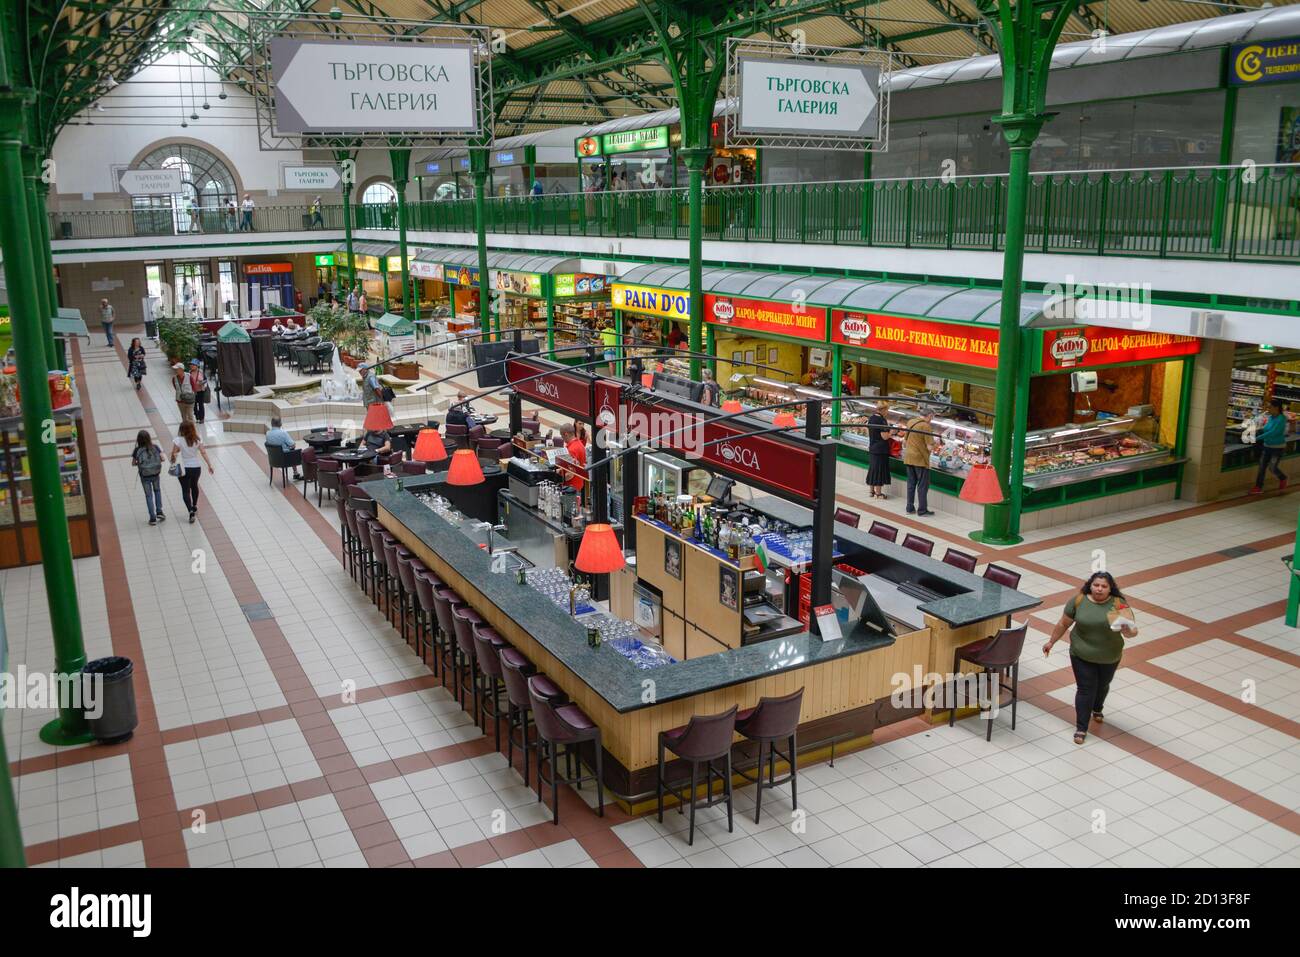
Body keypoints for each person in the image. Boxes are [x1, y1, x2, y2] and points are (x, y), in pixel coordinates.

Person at [1043, 571, 1137, 745]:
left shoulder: (1118, 604)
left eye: (1104, 586)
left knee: (1102, 685)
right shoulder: (1078, 601)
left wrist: (1127, 630)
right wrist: (1051, 642)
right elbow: (1063, 623)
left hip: (1109, 655)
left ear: (1110, 588)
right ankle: (1081, 727)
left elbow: (1133, 632)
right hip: (1081, 653)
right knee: (1085, 689)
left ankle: (1098, 707)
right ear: (1090, 585)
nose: (1099, 589)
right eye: (1096, 585)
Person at [170, 419, 213, 523]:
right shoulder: (197, 440)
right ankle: (194, 505)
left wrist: (176, 453)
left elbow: (173, 456)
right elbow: (203, 453)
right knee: (194, 486)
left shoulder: (178, 440)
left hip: (184, 469)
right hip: (196, 468)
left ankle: (190, 511)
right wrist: (209, 465)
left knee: (185, 490)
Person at [1251, 399, 1290, 494]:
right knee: (1261, 467)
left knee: (1272, 467)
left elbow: (1273, 432)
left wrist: (1258, 437)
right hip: (1267, 446)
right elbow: (1266, 428)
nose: (1268, 409)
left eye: (1270, 407)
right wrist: (1255, 431)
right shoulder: (1271, 417)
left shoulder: (1282, 419)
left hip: (1278, 447)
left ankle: (1283, 478)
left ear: (1276, 408)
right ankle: (1258, 487)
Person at [903, 407, 936, 517]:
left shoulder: (911, 421)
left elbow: (905, 440)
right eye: (932, 417)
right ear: (930, 415)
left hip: (908, 457)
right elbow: (930, 447)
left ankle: (909, 507)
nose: (932, 419)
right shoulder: (926, 426)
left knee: (911, 484)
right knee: (922, 486)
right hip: (920, 459)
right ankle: (922, 510)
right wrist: (936, 444)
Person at [131, 430, 166, 526]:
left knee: (148, 495)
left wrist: (141, 463)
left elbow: (133, 463)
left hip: (145, 475)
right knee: (157, 491)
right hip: (155, 474)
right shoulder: (155, 447)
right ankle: (159, 512)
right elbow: (163, 458)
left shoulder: (137, 450)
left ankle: (152, 518)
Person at [866, 400, 893, 500]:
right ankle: (878, 493)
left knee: (873, 469)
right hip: (880, 449)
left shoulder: (872, 418)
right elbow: (884, 437)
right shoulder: (881, 420)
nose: (888, 412)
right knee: (879, 470)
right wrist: (892, 432)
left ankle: (871, 491)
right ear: (883, 409)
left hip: (873, 447)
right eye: (887, 410)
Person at [560, 423, 587, 498]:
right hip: (579, 484)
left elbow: (570, 474)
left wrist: (558, 479)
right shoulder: (580, 444)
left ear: (566, 434)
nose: (562, 438)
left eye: (562, 436)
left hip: (571, 488)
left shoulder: (571, 450)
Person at [188, 359, 208, 425]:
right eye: (191, 364)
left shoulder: (201, 372)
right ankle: (197, 417)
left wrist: (202, 383)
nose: (192, 366)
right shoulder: (189, 373)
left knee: (201, 405)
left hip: (200, 391)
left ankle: (202, 418)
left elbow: (205, 380)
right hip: (193, 392)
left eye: (193, 365)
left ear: (197, 366)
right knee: (194, 406)